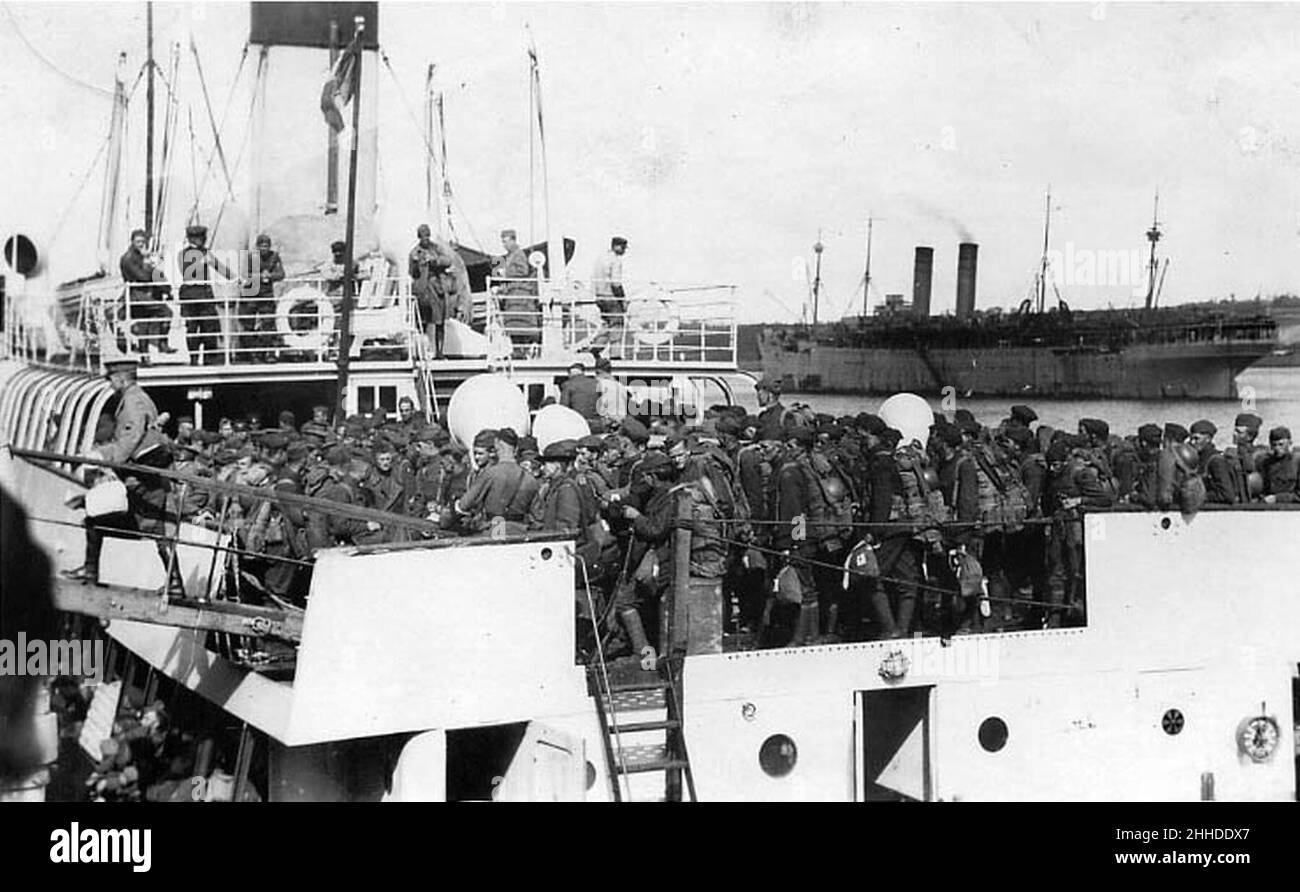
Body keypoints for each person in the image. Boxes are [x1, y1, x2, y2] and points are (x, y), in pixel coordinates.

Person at [62, 357, 182, 594]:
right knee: (160, 533)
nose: (109, 383)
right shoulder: (138, 399)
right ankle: (175, 583)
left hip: (144, 480)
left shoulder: (133, 403)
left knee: (97, 522)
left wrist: (100, 456)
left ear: (121, 378)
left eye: (111, 379)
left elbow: (129, 440)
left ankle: (90, 572)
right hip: (151, 479)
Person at [177, 224, 237, 364]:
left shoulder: (206, 252)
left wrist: (235, 278)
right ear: (192, 238)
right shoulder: (183, 254)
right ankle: (193, 358)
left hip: (204, 293)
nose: (201, 241)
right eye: (198, 238)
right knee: (192, 327)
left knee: (209, 325)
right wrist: (200, 263)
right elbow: (185, 272)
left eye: (202, 238)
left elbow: (219, 266)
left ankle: (209, 358)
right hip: (190, 293)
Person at [409, 224, 461, 359]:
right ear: (419, 237)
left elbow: (448, 261)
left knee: (439, 321)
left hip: (436, 287)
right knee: (422, 321)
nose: (425, 238)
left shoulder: (436, 248)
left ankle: (440, 352)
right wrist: (416, 264)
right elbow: (412, 273)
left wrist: (434, 261)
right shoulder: (414, 252)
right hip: (422, 290)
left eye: (427, 235)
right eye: (423, 236)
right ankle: (422, 352)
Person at [119, 229, 173, 356]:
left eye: (143, 241)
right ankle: (162, 344)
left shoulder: (139, 256)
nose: (141, 244)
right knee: (166, 312)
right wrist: (148, 262)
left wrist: (166, 289)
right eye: (138, 241)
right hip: (136, 295)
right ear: (132, 242)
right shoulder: (129, 258)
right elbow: (143, 277)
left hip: (144, 295)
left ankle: (145, 356)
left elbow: (156, 276)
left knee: (144, 323)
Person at [492, 229, 540, 352]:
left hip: (518, 295)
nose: (504, 245)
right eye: (503, 242)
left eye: (506, 241)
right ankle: (518, 350)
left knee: (519, 323)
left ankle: (520, 350)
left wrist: (505, 273)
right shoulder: (510, 256)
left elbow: (522, 271)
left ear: (513, 240)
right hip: (512, 294)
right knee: (513, 324)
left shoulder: (518, 254)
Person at [242, 234, 285, 362]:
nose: (264, 249)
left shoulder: (274, 256)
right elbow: (245, 274)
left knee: (268, 324)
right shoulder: (251, 257)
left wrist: (270, 276)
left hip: (266, 295)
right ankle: (253, 353)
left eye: (266, 246)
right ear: (257, 246)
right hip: (252, 295)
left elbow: (281, 274)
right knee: (249, 325)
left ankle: (269, 353)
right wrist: (259, 276)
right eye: (261, 246)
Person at [593, 236, 628, 328]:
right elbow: (615, 283)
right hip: (610, 298)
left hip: (599, 297)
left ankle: (602, 341)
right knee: (617, 323)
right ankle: (616, 342)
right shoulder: (615, 260)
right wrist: (622, 300)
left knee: (605, 325)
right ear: (616, 246)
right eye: (623, 247)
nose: (624, 251)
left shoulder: (601, 258)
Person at [1260, 426, 1299, 504]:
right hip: (1269, 507)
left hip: (1292, 508)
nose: (1277, 448)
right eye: (1274, 445)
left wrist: (1278, 498)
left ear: (1290, 443)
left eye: (1281, 444)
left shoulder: (1297, 462)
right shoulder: (1266, 463)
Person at [559, 356, 602, 425]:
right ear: (583, 372)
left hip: (577, 423)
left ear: (570, 374)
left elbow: (564, 408)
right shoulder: (596, 383)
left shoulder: (568, 385)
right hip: (596, 422)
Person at [755, 378, 787, 442]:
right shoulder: (783, 412)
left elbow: (768, 438)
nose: (757, 397)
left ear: (770, 395)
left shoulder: (770, 417)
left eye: (760, 394)